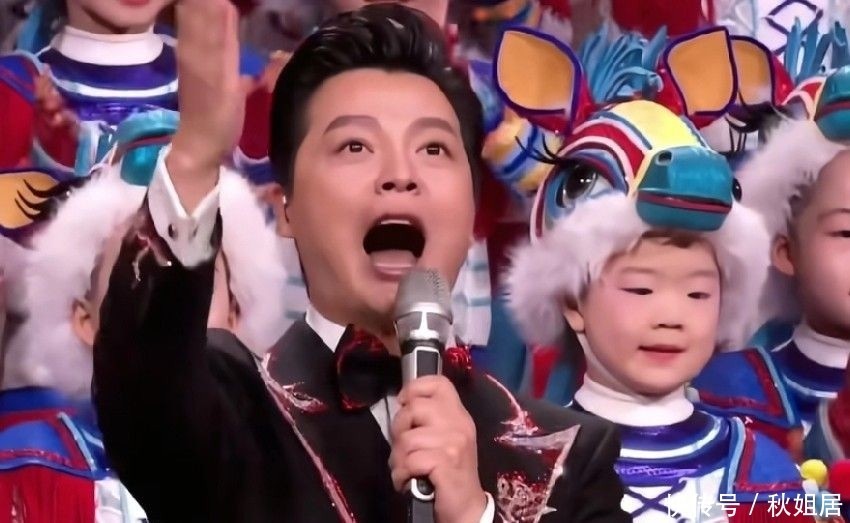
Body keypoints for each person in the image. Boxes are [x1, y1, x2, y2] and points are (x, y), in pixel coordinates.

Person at [91, 3, 630, 522]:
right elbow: (143, 373)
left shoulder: (566, 457)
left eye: (433, 149)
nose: (400, 174)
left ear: (471, 210)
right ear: (286, 207)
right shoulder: (228, 408)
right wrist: (192, 158)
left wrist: (475, 515)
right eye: (355, 147)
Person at [495, 24, 813, 522]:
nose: (670, 316)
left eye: (698, 294)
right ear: (572, 301)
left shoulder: (760, 469)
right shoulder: (523, 468)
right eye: (641, 289)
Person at [0, 109, 287, 521]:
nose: (168, 304)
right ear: (85, 319)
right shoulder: (27, 471)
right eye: (134, 271)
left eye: (195, 281)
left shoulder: (285, 470)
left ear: (236, 317)